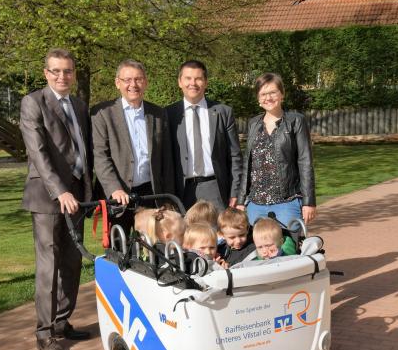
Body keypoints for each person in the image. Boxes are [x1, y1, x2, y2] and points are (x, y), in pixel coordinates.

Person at [19, 48, 93, 350]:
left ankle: (62, 321)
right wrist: (59, 190)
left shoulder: (78, 104)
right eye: (56, 71)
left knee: (72, 262)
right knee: (49, 264)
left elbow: (83, 148)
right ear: (46, 72)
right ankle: (44, 332)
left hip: (77, 194)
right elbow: (38, 152)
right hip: (48, 196)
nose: (62, 76)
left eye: (67, 71)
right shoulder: (33, 102)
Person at [92, 59, 175, 232]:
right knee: (119, 250)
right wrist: (114, 189)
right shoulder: (102, 113)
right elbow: (100, 156)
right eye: (127, 80)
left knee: (152, 248)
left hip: (151, 194)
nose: (133, 85)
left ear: (145, 82)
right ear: (117, 83)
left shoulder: (158, 114)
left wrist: (168, 197)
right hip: (119, 195)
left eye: (138, 79)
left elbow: (166, 159)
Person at [236, 73, 316, 228]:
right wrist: (241, 201)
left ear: (282, 94)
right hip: (255, 204)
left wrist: (309, 202)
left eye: (273, 92)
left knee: (289, 249)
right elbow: (247, 164)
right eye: (263, 94)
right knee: (261, 251)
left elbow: (305, 162)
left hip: (287, 202)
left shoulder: (295, 121)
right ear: (258, 98)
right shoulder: (253, 124)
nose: (268, 97)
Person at [166, 60, 242, 212]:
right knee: (187, 236)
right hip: (182, 191)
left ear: (206, 82)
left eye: (198, 78)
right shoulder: (168, 114)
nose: (193, 83)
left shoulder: (222, 112)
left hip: (216, 188)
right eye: (188, 78)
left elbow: (235, 156)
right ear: (180, 82)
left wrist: (236, 192)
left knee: (219, 235)